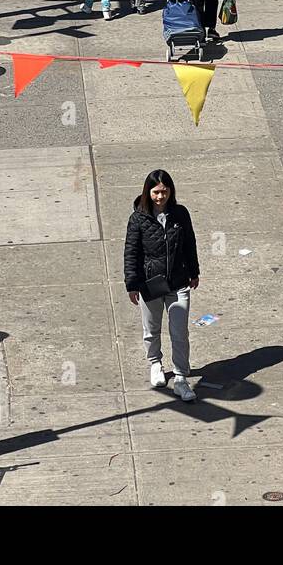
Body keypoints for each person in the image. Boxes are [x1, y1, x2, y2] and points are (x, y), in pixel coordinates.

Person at [124, 170, 200, 403]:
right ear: (148, 192)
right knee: (152, 329)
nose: (160, 197)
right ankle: (155, 363)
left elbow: (190, 243)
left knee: (179, 332)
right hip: (150, 284)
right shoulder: (138, 218)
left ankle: (180, 378)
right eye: (156, 192)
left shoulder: (180, 214)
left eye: (165, 192)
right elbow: (131, 252)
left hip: (178, 282)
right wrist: (132, 283)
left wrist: (194, 271)